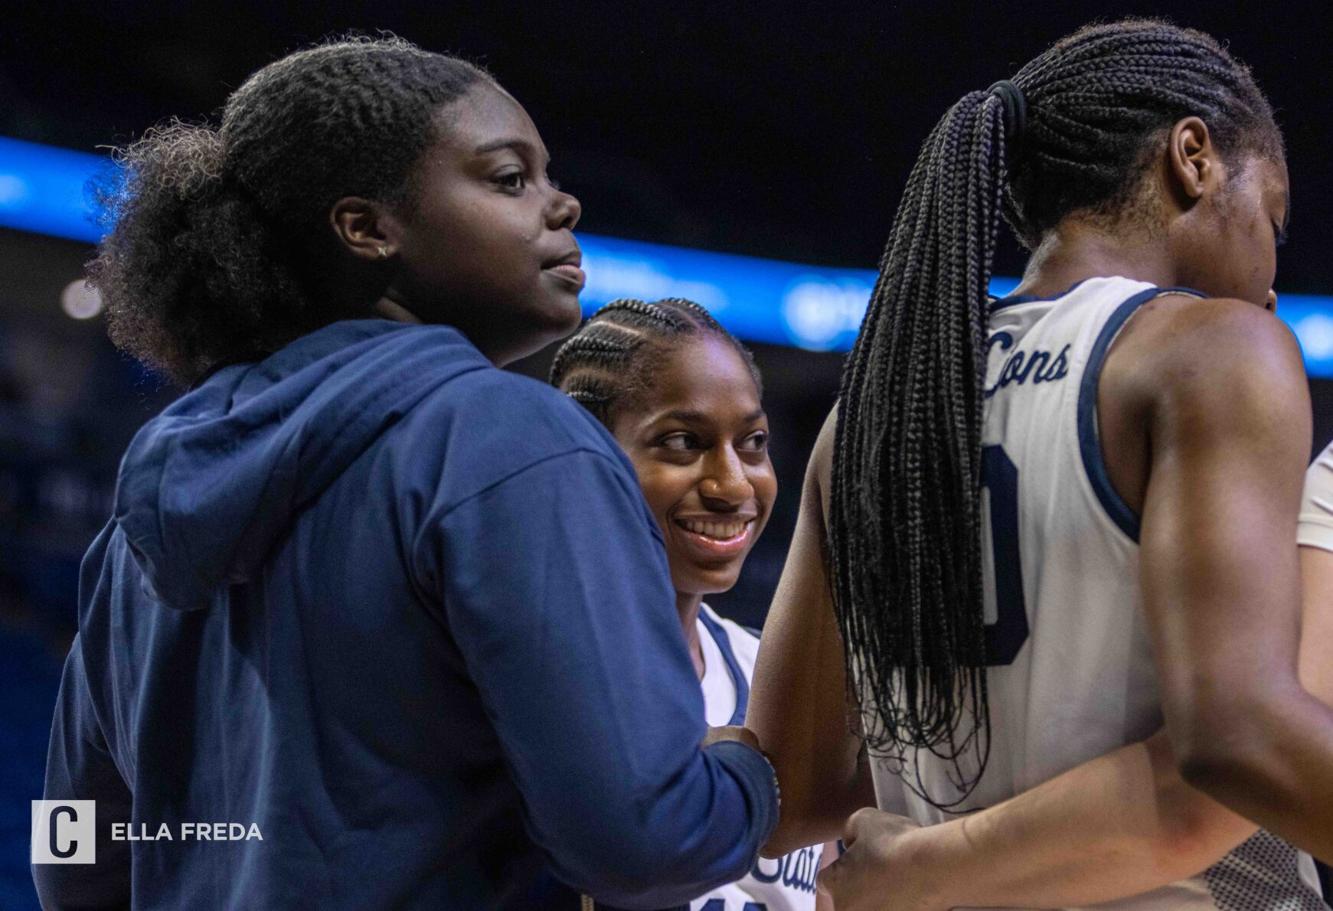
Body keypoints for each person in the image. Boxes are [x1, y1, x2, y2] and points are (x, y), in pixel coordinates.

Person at [34, 38, 777, 911]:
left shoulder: (132, 525)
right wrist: (753, 769)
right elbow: (643, 843)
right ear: (367, 228)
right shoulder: (508, 439)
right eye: (509, 178)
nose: (563, 202)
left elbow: (69, 855)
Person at [747, 18, 1333, 910]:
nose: (1269, 279)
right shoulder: (1208, 349)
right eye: (1271, 220)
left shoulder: (871, 413)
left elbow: (791, 786)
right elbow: (1234, 744)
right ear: (1192, 158)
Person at [552, 298, 836, 911]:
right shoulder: (532, 685)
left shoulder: (772, 676)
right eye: (684, 442)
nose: (732, 485)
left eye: (753, 443)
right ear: (586, 456)